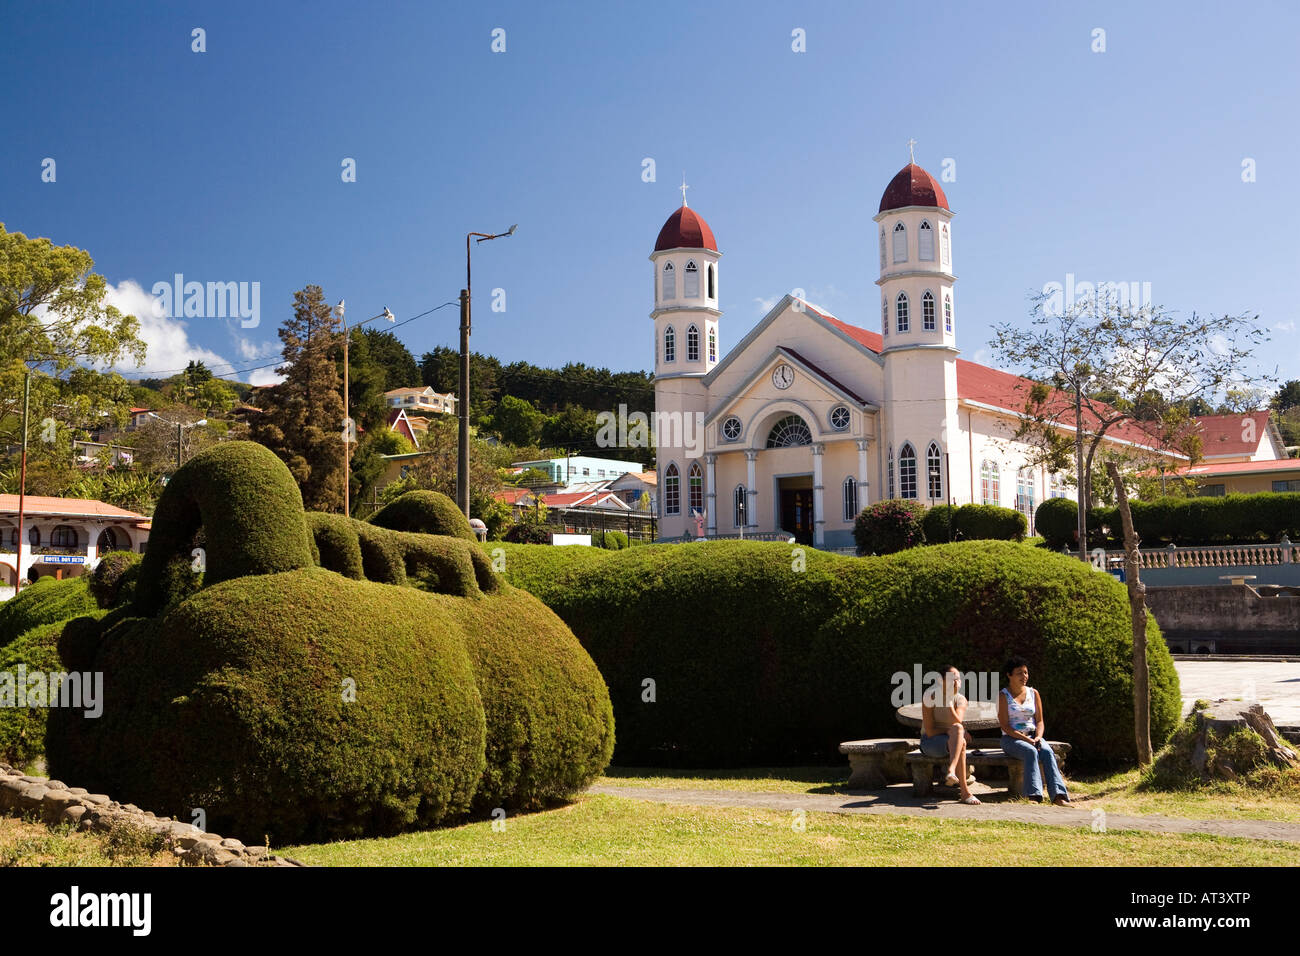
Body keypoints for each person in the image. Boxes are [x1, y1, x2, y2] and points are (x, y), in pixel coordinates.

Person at [998, 657, 1070, 805]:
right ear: (1009, 675)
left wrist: (1038, 737)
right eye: (1019, 673)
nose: (1024, 676)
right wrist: (1028, 741)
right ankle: (1033, 796)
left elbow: (1040, 721)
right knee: (1030, 751)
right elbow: (1005, 726)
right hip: (1011, 739)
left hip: (1033, 737)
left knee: (1047, 751)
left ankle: (1058, 796)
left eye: (1025, 672)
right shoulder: (1002, 696)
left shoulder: (1034, 693)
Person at [920, 665, 980, 805]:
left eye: (958, 679)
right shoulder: (930, 696)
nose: (955, 682)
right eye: (951, 678)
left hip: (952, 741)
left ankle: (952, 773)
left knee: (959, 732)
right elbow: (929, 731)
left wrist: (948, 702)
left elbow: (957, 722)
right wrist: (950, 731)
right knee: (960, 736)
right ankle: (964, 792)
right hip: (930, 742)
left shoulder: (961, 700)